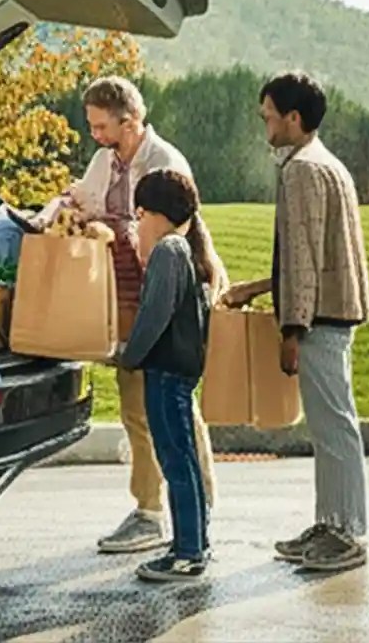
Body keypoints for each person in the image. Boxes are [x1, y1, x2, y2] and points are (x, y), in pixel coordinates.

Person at [222, 71, 369, 573]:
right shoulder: (326, 164)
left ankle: (347, 533)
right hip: (333, 313)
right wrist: (256, 288)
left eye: (269, 113)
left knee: (334, 430)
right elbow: (309, 256)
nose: (264, 121)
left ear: (293, 117)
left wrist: (293, 330)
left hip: (321, 320)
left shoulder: (302, 171)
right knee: (331, 427)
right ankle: (331, 523)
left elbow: (305, 258)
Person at [69, 76, 223, 555]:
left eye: (101, 126)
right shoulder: (104, 162)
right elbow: (83, 201)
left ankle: (196, 509)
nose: (94, 135)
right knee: (137, 408)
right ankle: (150, 510)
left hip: (166, 296)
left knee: (175, 409)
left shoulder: (165, 164)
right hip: (124, 297)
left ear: (130, 121)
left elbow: (181, 236)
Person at [115, 169, 219, 582]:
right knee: (183, 460)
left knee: (176, 462)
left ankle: (187, 552)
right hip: (181, 373)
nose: (138, 222)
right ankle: (192, 545)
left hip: (165, 374)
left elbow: (153, 316)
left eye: (140, 212)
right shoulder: (187, 249)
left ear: (156, 213)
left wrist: (128, 355)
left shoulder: (168, 252)